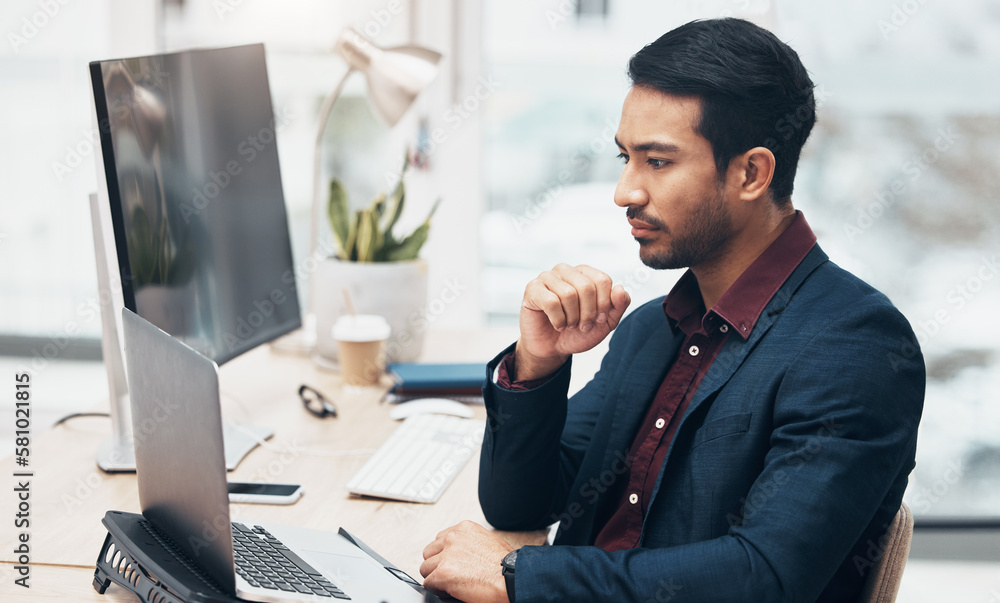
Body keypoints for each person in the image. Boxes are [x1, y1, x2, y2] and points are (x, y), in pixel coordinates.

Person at [419, 17, 924, 603]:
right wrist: (537, 365)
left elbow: (764, 578)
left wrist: (518, 578)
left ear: (751, 173)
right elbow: (521, 503)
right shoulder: (652, 329)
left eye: (656, 162)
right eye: (624, 158)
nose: (625, 192)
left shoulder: (854, 345)